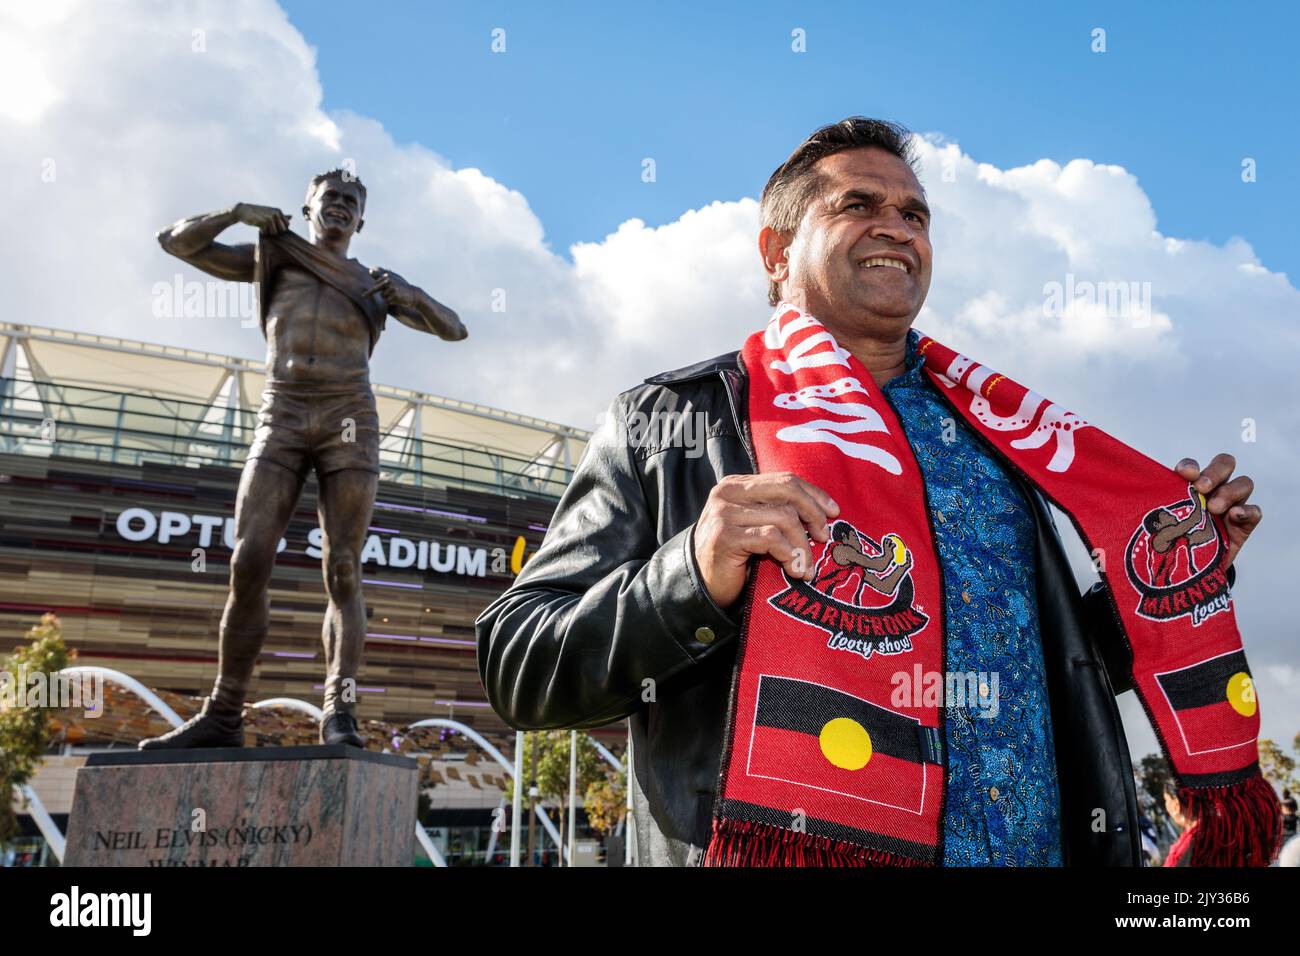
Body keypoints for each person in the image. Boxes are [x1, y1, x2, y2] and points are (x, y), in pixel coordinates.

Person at [475, 118, 1261, 866]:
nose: (898, 226)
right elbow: (520, 666)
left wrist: (1180, 572)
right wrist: (693, 571)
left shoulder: (1003, 433)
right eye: (859, 205)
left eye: (915, 214)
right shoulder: (673, 420)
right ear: (776, 252)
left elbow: (1059, 668)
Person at [142, 169, 466, 749]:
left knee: (342, 568)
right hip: (282, 413)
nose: (339, 206)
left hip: (349, 421)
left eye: (350, 202)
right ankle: (224, 712)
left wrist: (411, 295)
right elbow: (176, 242)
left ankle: (338, 711)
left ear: (361, 220)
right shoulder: (278, 256)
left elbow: (455, 330)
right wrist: (237, 210)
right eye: (329, 198)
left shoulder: (372, 284)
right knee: (248, 558)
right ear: (307, 207)